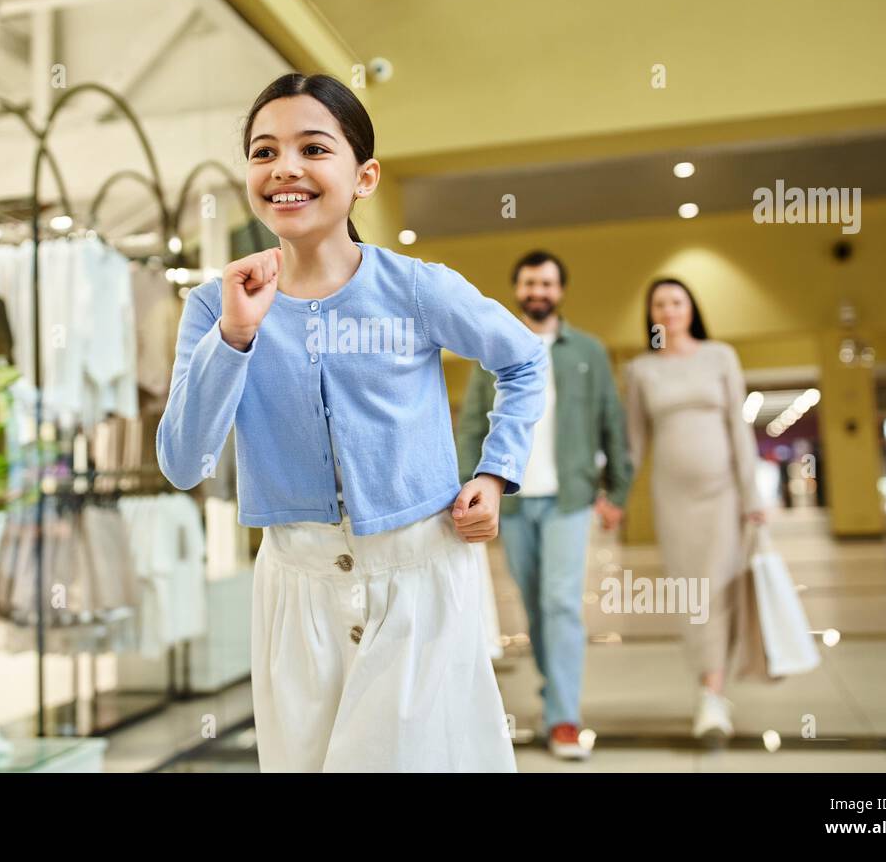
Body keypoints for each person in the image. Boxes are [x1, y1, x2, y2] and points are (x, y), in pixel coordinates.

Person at [156, 73, 548, 772]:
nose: (285, 168)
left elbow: (523, 361)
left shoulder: (416, 288)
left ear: (364, 177)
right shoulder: (215, 308)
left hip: (420, 574)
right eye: (263, 151)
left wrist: (494, 470)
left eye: (313, 148)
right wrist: (236, 339)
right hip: (294, 584)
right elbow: (183, 461)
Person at [456, 250, 633, 760]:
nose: (538, 291)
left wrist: (616, 491)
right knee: (533, 607)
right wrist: (467, 487)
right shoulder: (493, 350)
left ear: (560, 291)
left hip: (568, 498)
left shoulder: (589, 352)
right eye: (530, 282)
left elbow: (611, 421)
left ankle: (564, 718)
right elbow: (472, 424)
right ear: (517, 289)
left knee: (560, 604)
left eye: (548, 283)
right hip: (510, 500)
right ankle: (554, 685)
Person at [622, 278, 765, 740]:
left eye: (677, 301)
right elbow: (634, 443)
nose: (669, 310)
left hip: (723, 495)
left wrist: (753, 496)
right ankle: (708, 685)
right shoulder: (640, 370)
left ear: (691, 308)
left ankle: (712, 693)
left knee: (720, 586)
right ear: (651, 314)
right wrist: (617, 498)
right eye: (659, 303)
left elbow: (739, 430)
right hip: (673, 499)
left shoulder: (720, 356)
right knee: (692, 591)